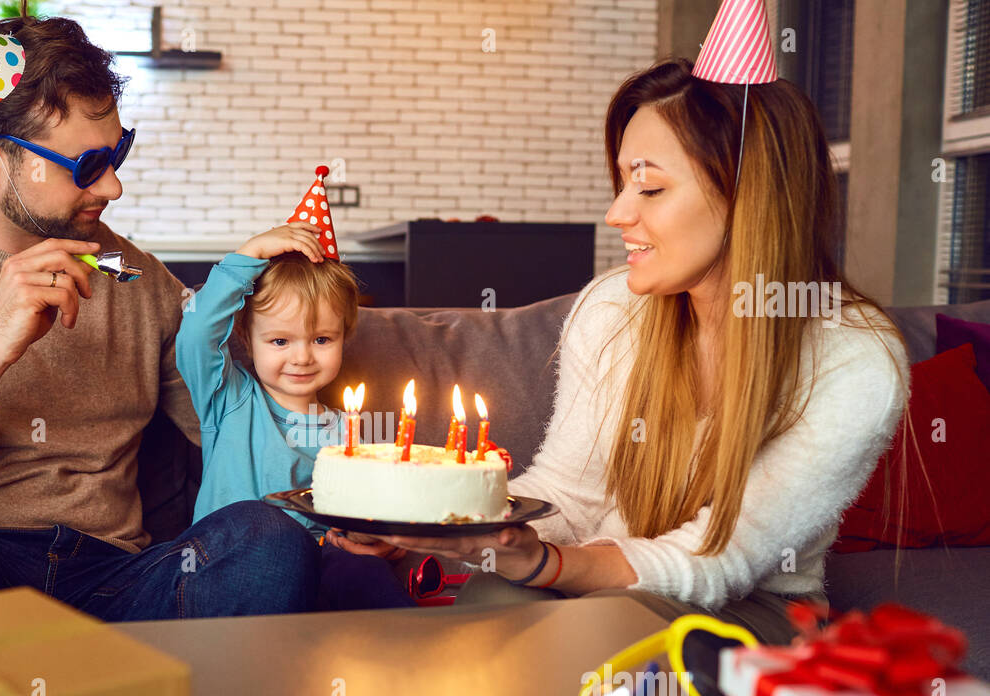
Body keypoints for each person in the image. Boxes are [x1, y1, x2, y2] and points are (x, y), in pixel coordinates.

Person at [348, 52, 914, 645]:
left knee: (612, 630)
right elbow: (568, 495)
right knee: (494, 594)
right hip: (602, 580)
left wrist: (545, 566)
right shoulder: (614, 306)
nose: (617, 212)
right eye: (622, 184)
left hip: (749, 613)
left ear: (751, 195)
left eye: (650, 187)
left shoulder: (854, 357)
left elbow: (721, 560)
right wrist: (447, 531)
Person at [0, 13, 319, 620]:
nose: (115, 187)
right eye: (87, 165)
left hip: (117, 582)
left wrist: (344, 506)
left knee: (269, 539)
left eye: (118, 153)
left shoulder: (132, 277)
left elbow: (237, 426)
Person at [175, 217, 415, 611]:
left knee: (365, 574)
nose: (302, 357)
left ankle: (413, 659)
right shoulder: (230, 398)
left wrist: (377, 541)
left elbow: (365, 517)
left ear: (344, 336)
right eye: (280, 340)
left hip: (319, 569)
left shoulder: (349, 433)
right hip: (232, 567)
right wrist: (248, 255)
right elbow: (197, 332)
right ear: (247, 340)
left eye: (321, 339)